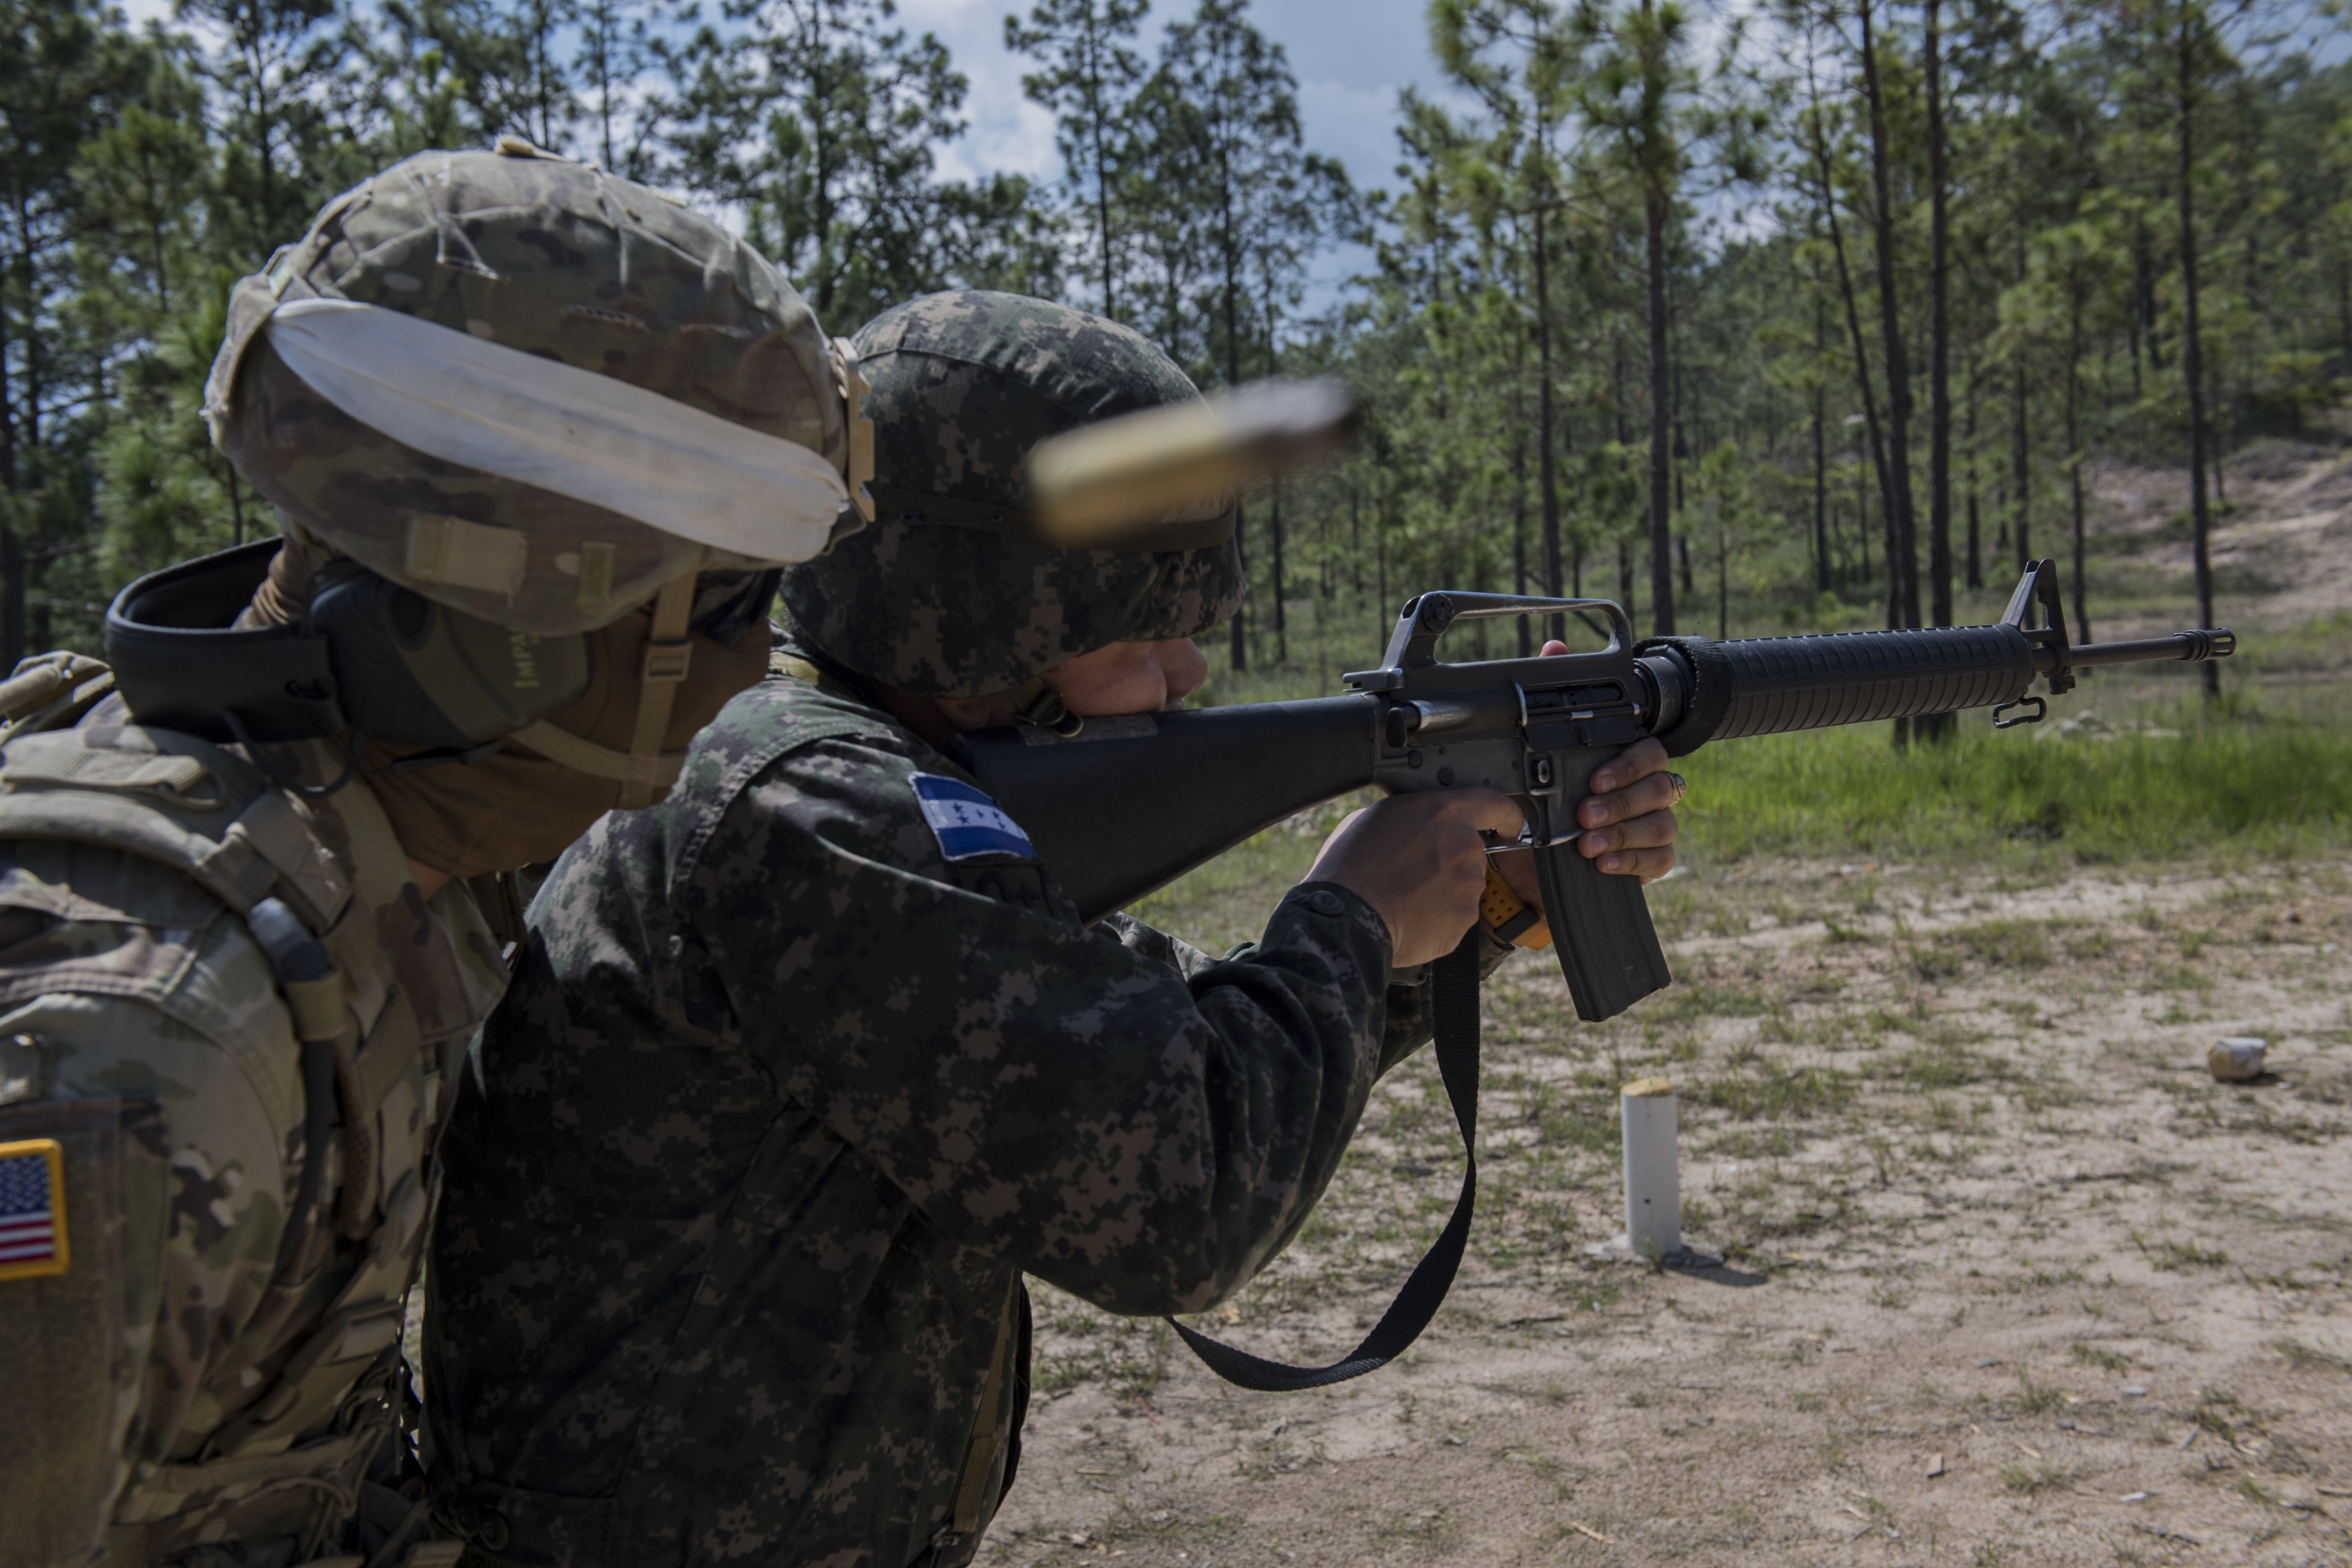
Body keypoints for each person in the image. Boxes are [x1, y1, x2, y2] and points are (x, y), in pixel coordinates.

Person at [420, 290, 1680, 1568]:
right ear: (976, 620)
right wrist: (1353, 918)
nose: (1189, 677)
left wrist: (1480, 896)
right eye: (1144, 635)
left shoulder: (856, 776)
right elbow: (1177, 1195)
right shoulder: (811, 808)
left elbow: (1131, 1042)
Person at [0, 142, 861, 1568]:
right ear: (506, 644)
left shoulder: (377, 836)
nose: (757, 660)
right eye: (730, 604)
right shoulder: (137, 1049)